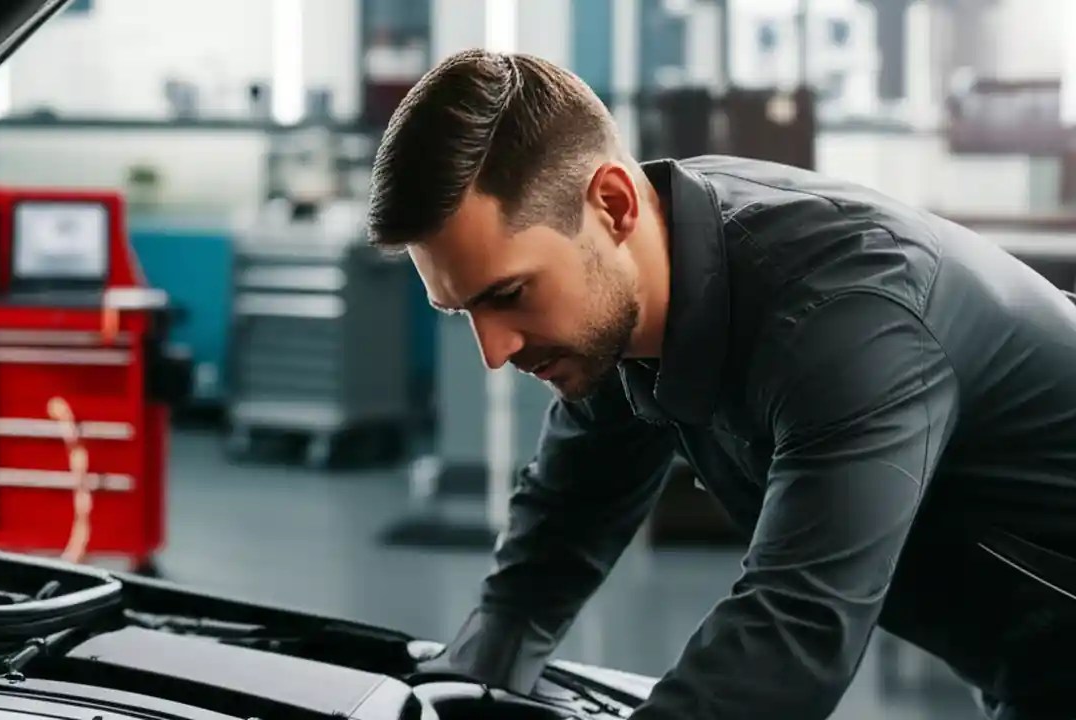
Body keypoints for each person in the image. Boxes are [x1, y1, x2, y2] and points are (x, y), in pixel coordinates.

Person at [365, 48, 1076, 720]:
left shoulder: (844, 321)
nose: (494, 350)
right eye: (464, 311)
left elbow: (791, 632)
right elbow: (575, 496)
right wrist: (479, 673)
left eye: (510, 293)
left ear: (613, 203)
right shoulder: (636, 275)